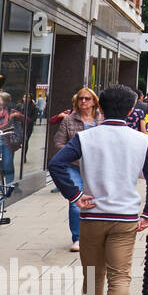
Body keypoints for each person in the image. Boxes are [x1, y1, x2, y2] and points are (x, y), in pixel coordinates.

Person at [47, 84, 148, 295]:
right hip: (125, 218)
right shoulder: (141, 140)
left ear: (100, 107)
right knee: (120, 276)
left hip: (93, 215)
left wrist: (75, 195)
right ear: (132, 110)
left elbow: (57, 163)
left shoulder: (86, 138)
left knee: (92, 273)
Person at [52, 87, 100, 252]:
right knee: (76, 200)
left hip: (96, 167)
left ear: (94, 101)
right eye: (81, 99)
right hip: (74, 166)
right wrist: (71, 154)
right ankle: (78, 238)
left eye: (87, 98)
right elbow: (59, 142)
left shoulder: (101, 119)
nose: (84, 101)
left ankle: (95, 235)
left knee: (97, 200)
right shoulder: (69, 120)